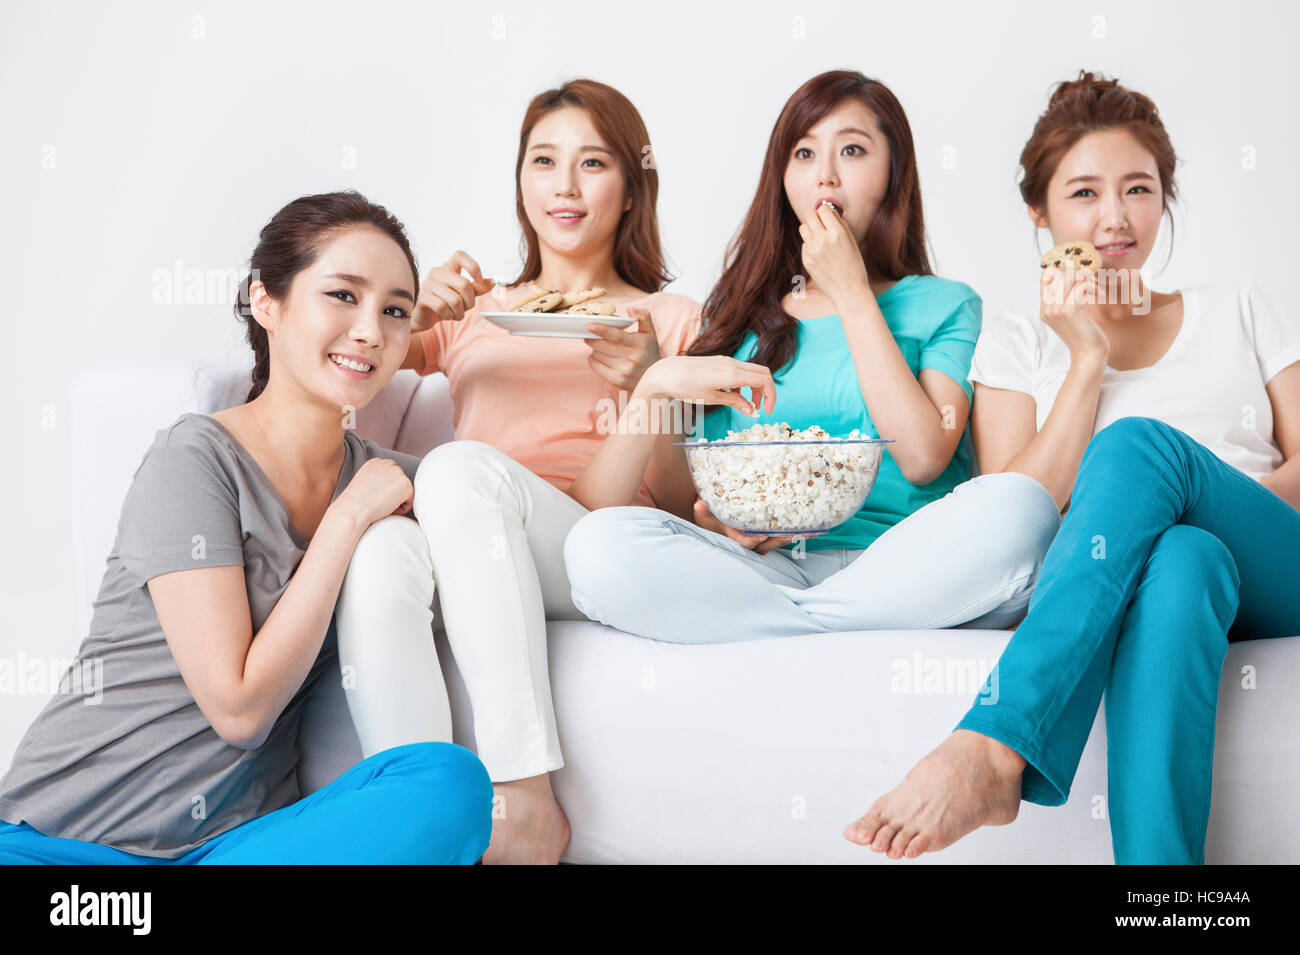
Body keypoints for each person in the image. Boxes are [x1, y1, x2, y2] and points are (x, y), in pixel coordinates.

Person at [848, 71, 1300, 864]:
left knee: (1135, 451)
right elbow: (1018, 510)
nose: (1116, 217)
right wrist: (1085, 356)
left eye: (1139, 188)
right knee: (1184, 557)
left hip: (1279, 554)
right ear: (1040, 211)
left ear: (1166, 199)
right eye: (1085, 193)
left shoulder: (1238, 305)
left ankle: (997, 743)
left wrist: (1204, 491)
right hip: (1173, 569)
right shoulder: (1019, 342)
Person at [0, 191, 492, 864]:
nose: (371, 331)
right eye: (343, 296)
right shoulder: (194, 458)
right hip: (64, 845)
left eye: (396, 310)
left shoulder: (394, 479)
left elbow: (516, 518)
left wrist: (648, 397)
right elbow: (239, 710)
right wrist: (346, 521)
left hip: (237, 846)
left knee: (447, 781)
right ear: (266, 300)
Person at [333, 80, 704, 864]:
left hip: (590, 545)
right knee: (377, 553)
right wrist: (409, 312)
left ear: (633, 188)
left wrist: (649, 380)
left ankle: (525, 798)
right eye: (544, 162)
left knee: (459, 469)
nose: (564, 186)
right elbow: (344, 391)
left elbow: (681, 500)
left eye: (592, 163)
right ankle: (418, 822)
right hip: (470, 532)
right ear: (521, 182)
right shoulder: (476, 309)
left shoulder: (671, 319)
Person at [562, 69, 1061, 641]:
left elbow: (924, 455)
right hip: (769, 568)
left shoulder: (944, 304)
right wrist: (723, 519)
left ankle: (785, 626)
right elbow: (688, 499)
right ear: (783, 178)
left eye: (852, 150)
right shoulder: (737, 313)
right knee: (599, 546)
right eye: (804, 153)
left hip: (906, 561)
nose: (825, 174)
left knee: (1019, 511)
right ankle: (832, 623)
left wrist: (851, 294)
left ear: (894, 174)